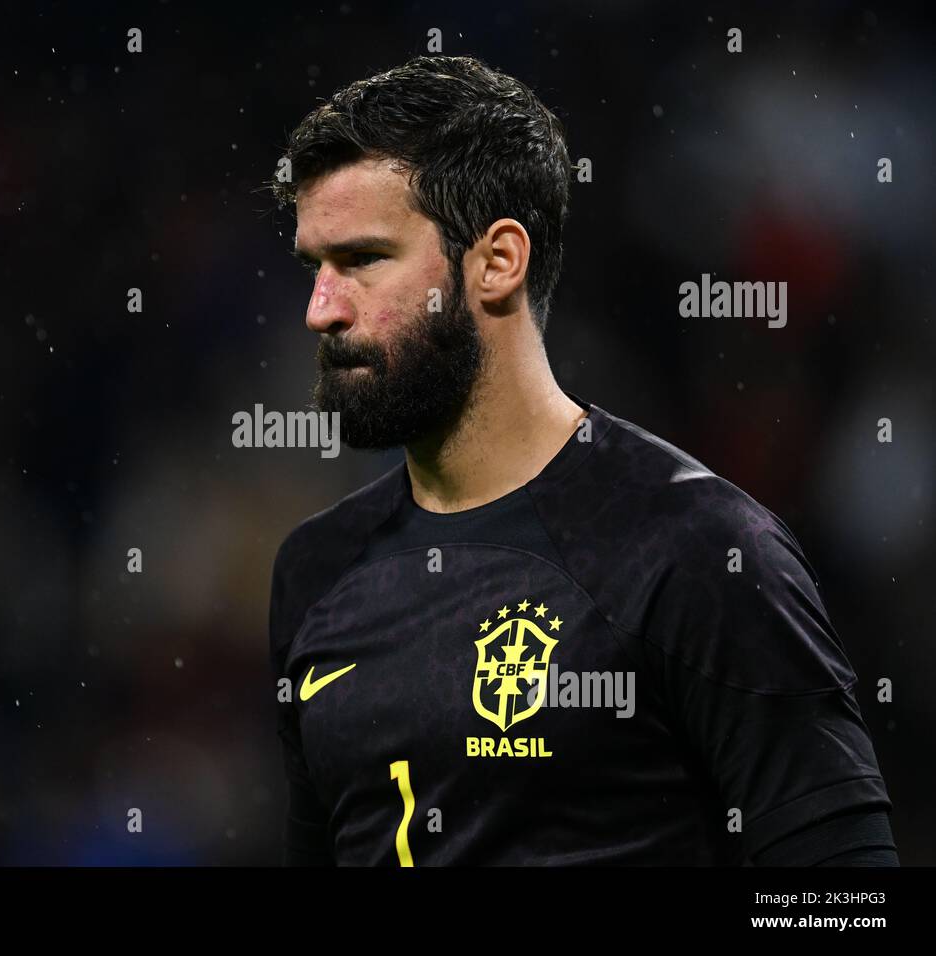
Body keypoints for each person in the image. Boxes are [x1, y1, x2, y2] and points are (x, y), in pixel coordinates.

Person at [266, 55, 897, 865]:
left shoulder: (700, 552)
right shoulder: (316, 571)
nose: (321, 309)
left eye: (361, 260)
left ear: (498, 262)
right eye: (313, 267)